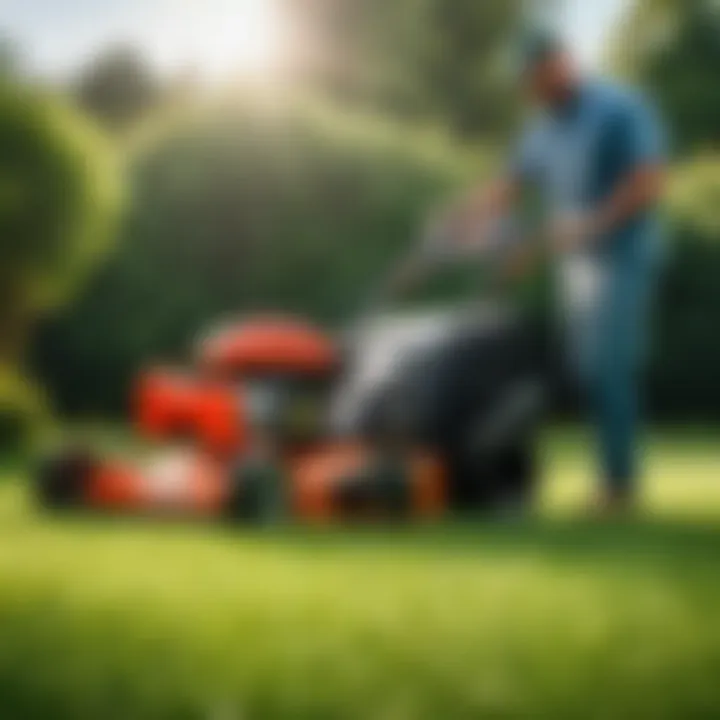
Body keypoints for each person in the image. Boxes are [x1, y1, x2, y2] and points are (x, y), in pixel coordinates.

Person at [436, 30, 668, 513]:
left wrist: (590, 223)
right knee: (584, 370)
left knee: (607, 367)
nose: (532, 87)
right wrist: (463, 221)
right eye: (525, 81)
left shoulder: (620, 107)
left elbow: (647, 181)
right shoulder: (539, 130)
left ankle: (619, 488)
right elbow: (509, 188)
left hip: (623, 255)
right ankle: (603, 475)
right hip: (576, 264)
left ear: (563, 63)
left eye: (538, 74)